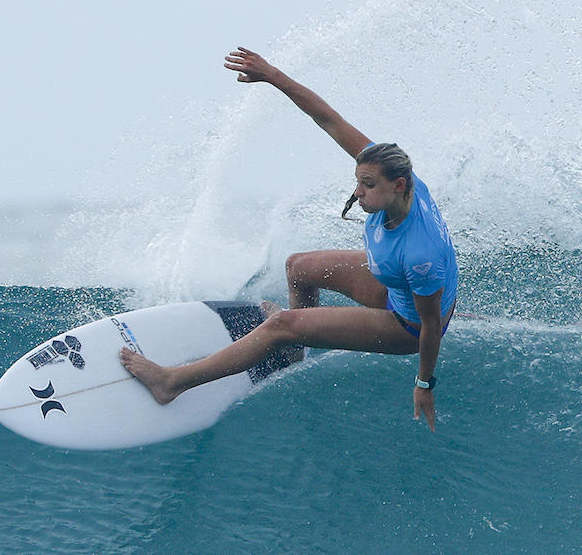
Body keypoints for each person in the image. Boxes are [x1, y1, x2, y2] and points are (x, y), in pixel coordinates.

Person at [119, 47, 459, 431]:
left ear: (398, 186)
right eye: (358, 181)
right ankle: (296, 350)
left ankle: (172, 383)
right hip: (396, 284)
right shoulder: (401, 180)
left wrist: (424, 384)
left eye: (368, 185)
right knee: (298, 266)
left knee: (282, 322)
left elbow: (429, 327)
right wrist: (272, 75)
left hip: (407, 325)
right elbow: (328, 118)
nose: (358, 192)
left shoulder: (419, 253)